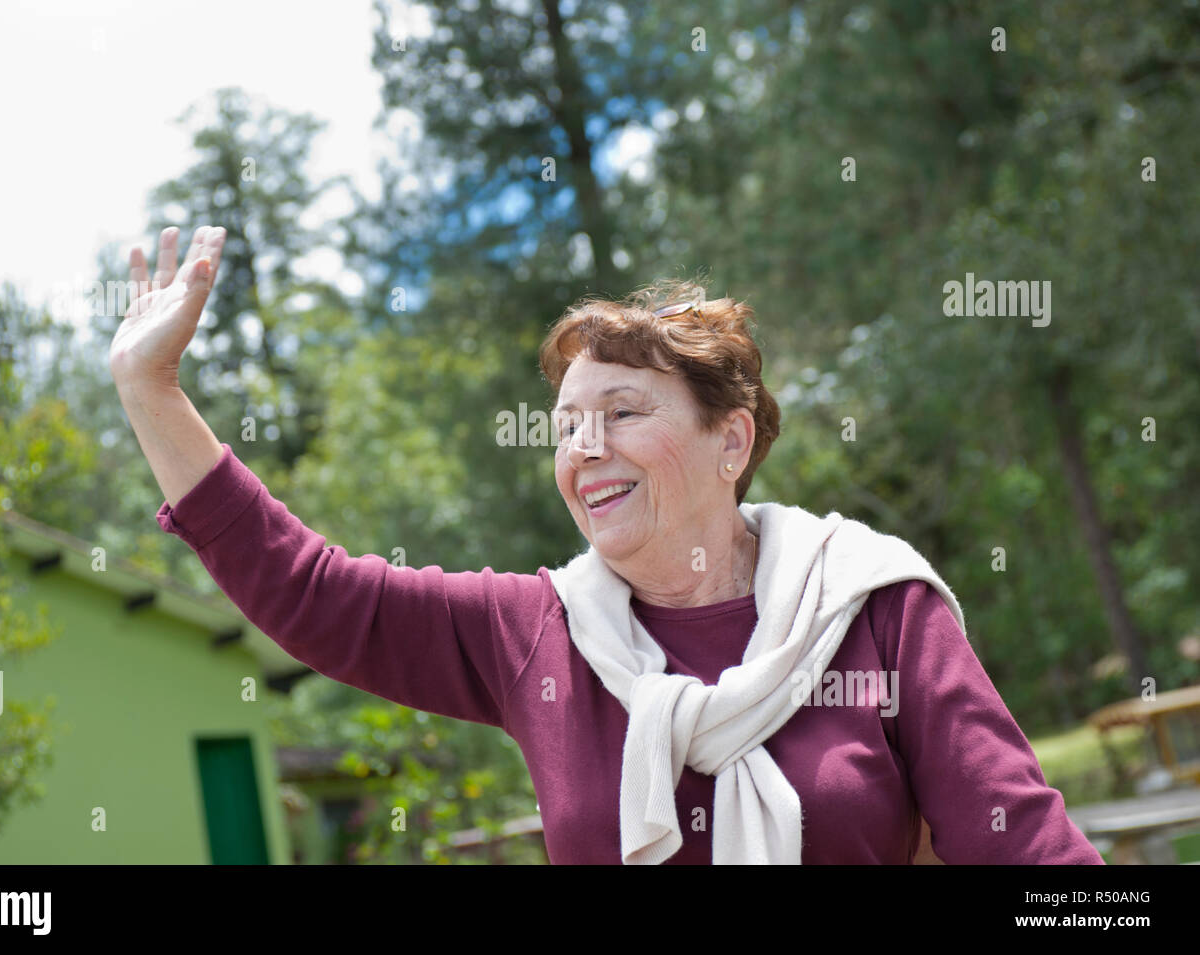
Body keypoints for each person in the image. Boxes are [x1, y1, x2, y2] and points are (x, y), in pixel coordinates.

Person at [111, 224, 1104, 865]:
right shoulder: (535, 631)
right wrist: (152, 393)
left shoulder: (874, 607)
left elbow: (1026, 848)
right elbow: (312, 591)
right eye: (565, 424)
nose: (585, 447)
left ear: (731, 440)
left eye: (622, 411)